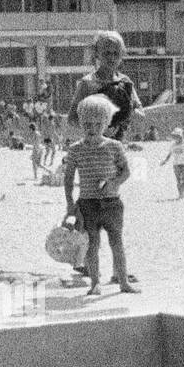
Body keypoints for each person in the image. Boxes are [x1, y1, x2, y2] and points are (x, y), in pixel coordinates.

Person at [63, 95, 138, 295]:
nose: (92, 128)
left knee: (117, 243)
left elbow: (126, 171)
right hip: (87, 203)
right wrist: (70, 204)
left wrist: (113, 183)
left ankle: (123, 282)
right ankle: (95, 282)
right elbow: (68, 179)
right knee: (91, 245)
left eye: (97, 124)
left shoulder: (114, 146)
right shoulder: (75, 149)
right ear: (81, 124)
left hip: (112, 202)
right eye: (87, 124)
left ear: (105, 124)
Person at [68, 31, 143, 141]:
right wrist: (96, 129)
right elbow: (72, 118)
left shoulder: (125, 82)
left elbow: (140, 113)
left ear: (121, 55)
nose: (111, 58)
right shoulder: (88, 83)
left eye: (115, 53)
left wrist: (130, 113)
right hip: (94, 148)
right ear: (97, 54)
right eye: (107, 53)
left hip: (119, 147)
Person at [159, 127, 184, 198]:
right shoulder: (173, 145)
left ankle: (182, 192)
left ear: (180, 136)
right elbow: (169, 154)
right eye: (174, 136)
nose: (175, 138)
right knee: (178, 180)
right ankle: (180, 193)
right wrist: (165, 161)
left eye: (177, 136)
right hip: (176, 164)